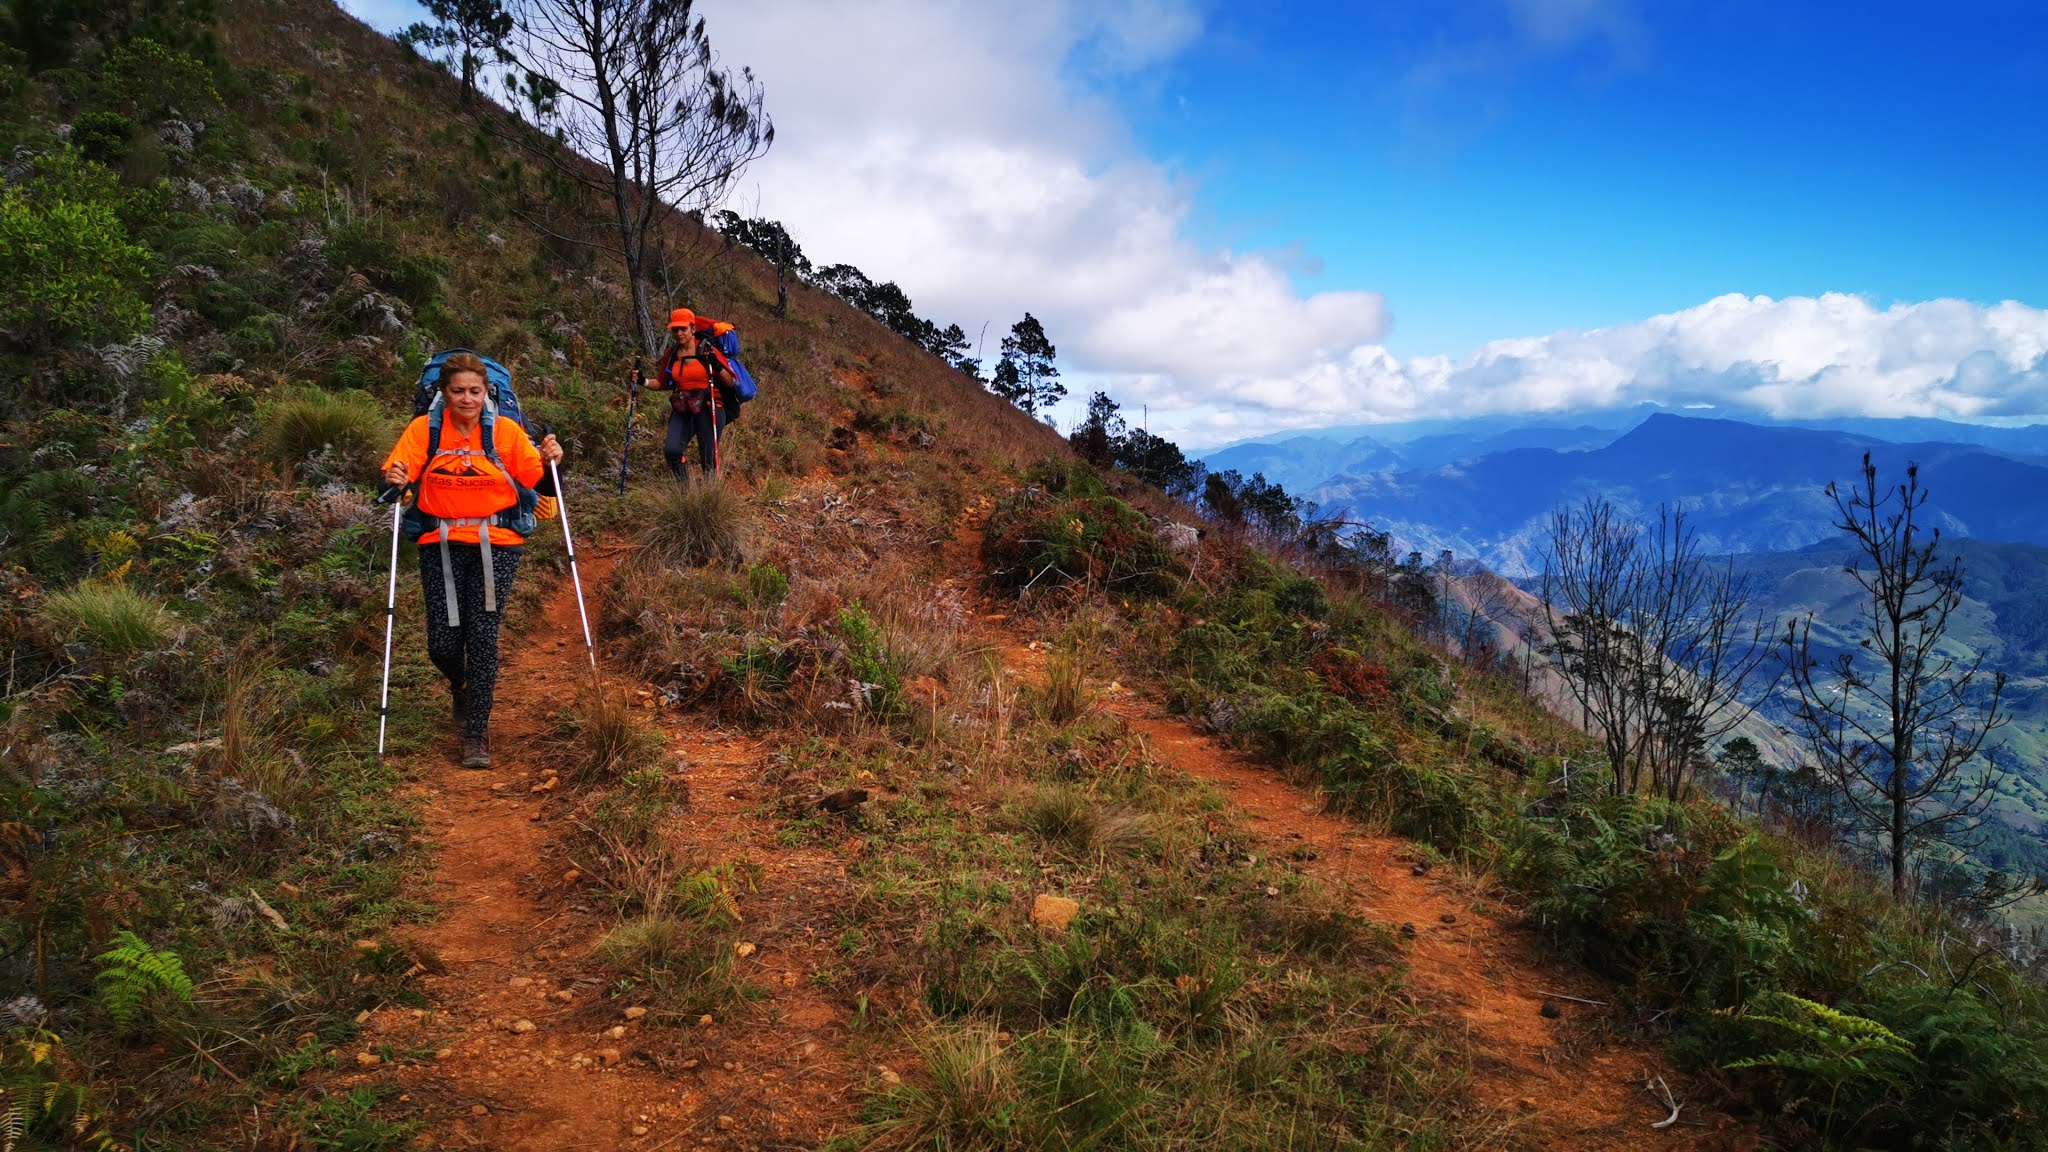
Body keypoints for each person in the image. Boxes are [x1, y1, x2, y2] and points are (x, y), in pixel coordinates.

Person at [380, 353, 562, 768]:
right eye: (458, 391)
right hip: (438, 541)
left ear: (487, 393)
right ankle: (461, 685)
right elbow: (397, 478)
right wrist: (395, 480)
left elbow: (543, 484)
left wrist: (553, 459)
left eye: (475, 391)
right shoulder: (424, 429)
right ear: (444, 393)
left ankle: (476, 732)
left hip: (497, 542)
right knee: (442, 643)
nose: (467, 399)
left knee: (482, 635)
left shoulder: (506, 432)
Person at [647, 307, 736, 481]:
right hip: (684, 406)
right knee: (672, 451)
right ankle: (685, 493)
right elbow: (662, 383)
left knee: (709, 458)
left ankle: (711, 500)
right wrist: (643, 381)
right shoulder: (672, 354)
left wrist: (716, 366)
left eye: (683, 328)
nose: (679, 333)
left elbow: (730, 382)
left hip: (709, 405)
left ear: (693, 329)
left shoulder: (706, 350)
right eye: (675, 329)